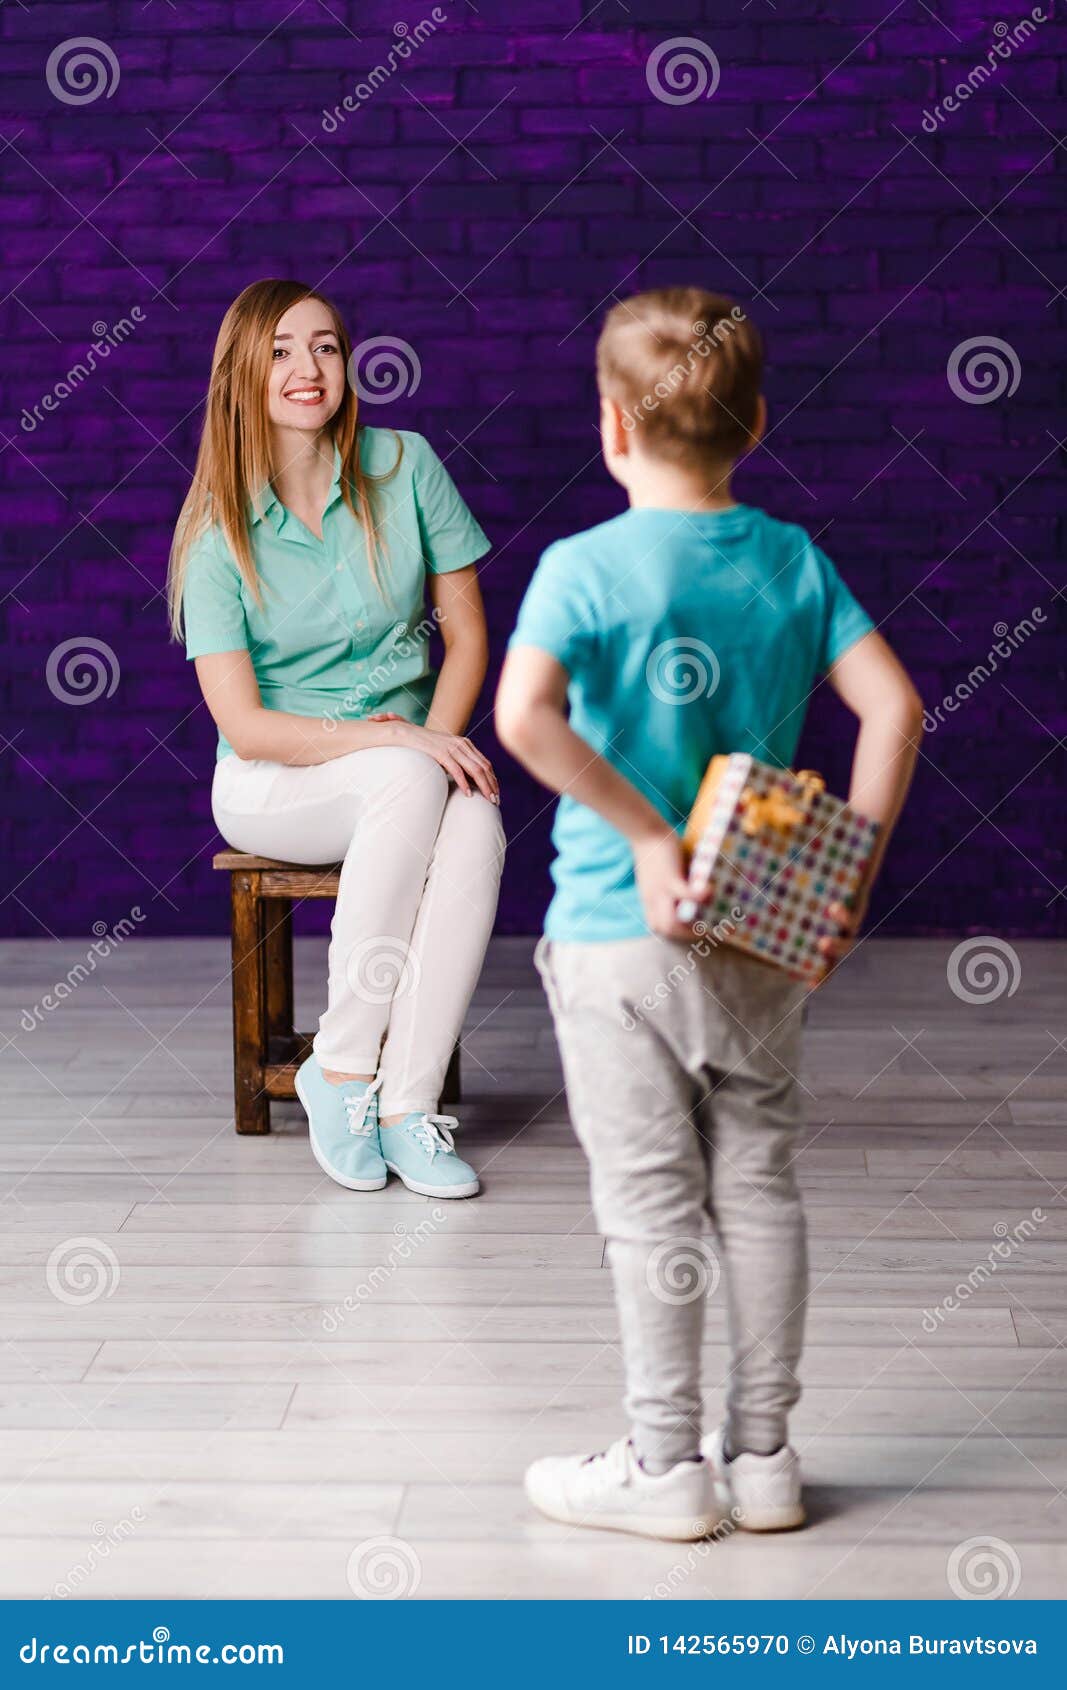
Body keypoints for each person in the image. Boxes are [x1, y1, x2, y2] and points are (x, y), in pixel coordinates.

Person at [496, 286, 922, 1540]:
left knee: (648, 1207)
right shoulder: (789, 560)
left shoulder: (582, 569)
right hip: (760, 926)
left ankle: (664, 1465)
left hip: (616, 935)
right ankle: (765, 1458)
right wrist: (841, 877)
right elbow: (892, 710)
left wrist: (644, 834)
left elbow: (521, 718)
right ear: (755, 422)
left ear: (613, 426)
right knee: (759, 1186)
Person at [168, 279, 504, 1199]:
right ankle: (345, 1066)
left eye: (324, 345)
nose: (307, 367)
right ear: (242, 375)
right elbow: (244, 725)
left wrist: (432, 750)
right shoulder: (216, 533)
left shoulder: (406, 465)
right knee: (411, 778)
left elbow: (469, 638)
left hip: (404, 765)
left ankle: (405, 1106)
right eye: (279, 351)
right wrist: (399, 750)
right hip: (272, 780)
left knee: (476, 823)